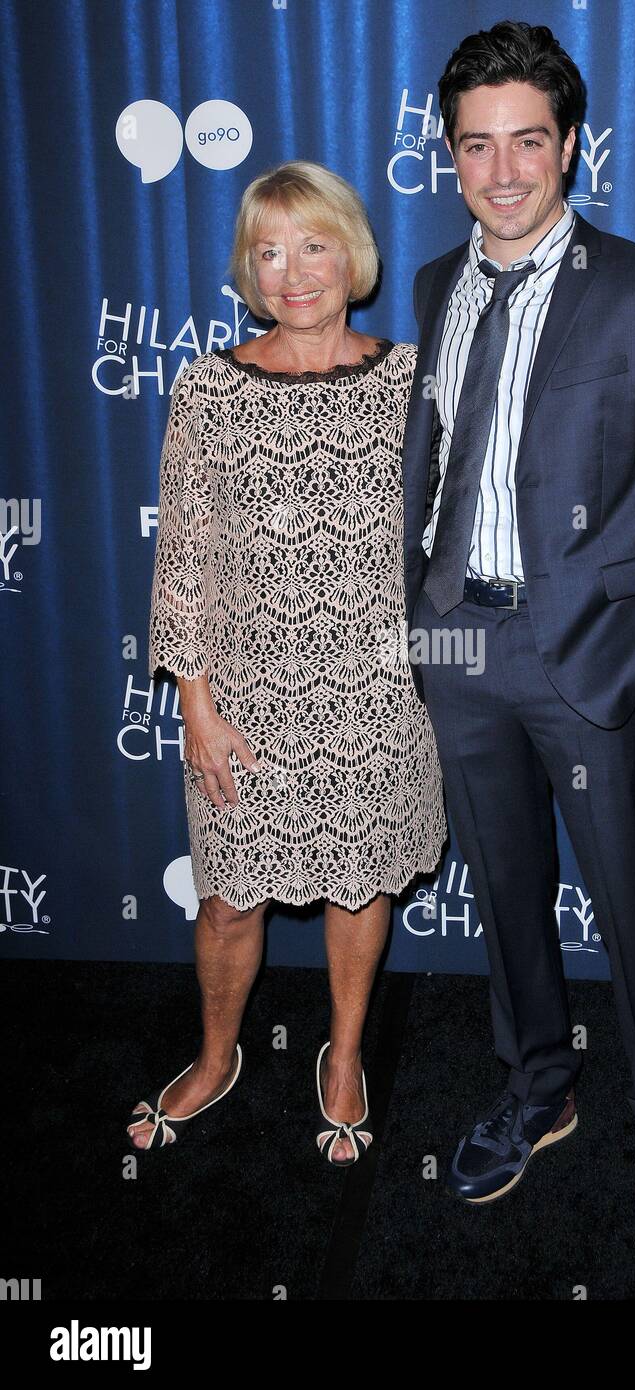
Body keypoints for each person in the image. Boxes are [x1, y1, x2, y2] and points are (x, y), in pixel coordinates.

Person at [403, 21, 635, 1258]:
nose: (500, 172)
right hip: (456, 644)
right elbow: (427, 466)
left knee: (625, 904)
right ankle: (537, 1088)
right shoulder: (436, 288)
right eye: (475, 146)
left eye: (524, 143)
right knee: (501, 893)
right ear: (448, 156)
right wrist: (412, 615)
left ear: (568, 146)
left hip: (591, 655)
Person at [128, 160, 446, 1164]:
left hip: (378, 695)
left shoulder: (411, 381)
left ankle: (343, 1053)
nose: (293, 271)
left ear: (351, 254)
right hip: (246, 699)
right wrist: (196, 701)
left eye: (312, 244)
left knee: (361, 887)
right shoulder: (210, 386)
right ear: (247, 269)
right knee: (227, 899)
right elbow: (183, 549)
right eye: (268, 251)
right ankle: (218, 1050)